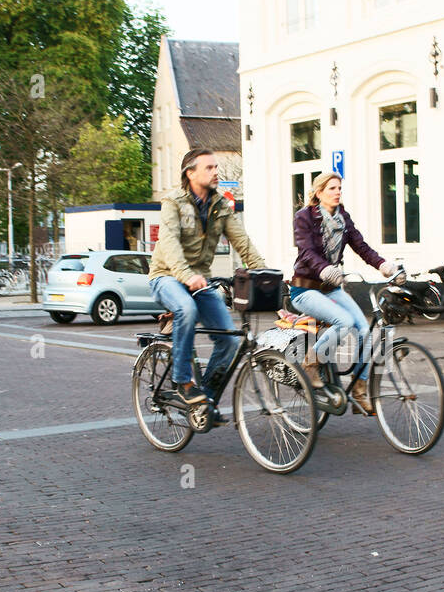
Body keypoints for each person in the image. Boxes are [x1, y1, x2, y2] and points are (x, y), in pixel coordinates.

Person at [149, 148, 269, 422]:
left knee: (228, 339)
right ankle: (183, 382)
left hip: (199, 280)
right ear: (190, 173)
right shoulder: (174, 202)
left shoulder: (220, 206)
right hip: (166, 276)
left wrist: (267, 275)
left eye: (216, 167)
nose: (216, 172)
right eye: (209, 168)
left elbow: (243, 243)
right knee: (186, 309)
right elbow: (169, 244)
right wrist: (186, 275)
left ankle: (206, 401)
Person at [289, 172, 396, 414]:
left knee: (363, 330)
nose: (337, 192)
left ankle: (359, 392)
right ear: (319, 193)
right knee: (344, 322)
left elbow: (361, 246)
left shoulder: (342, 218)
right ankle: (311, 362)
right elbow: (306, 251)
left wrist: (382, 265)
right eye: (332, 188)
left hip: (331, 288)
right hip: (305, 289)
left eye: (339, 188)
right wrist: (325, 269)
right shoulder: (304, 217)